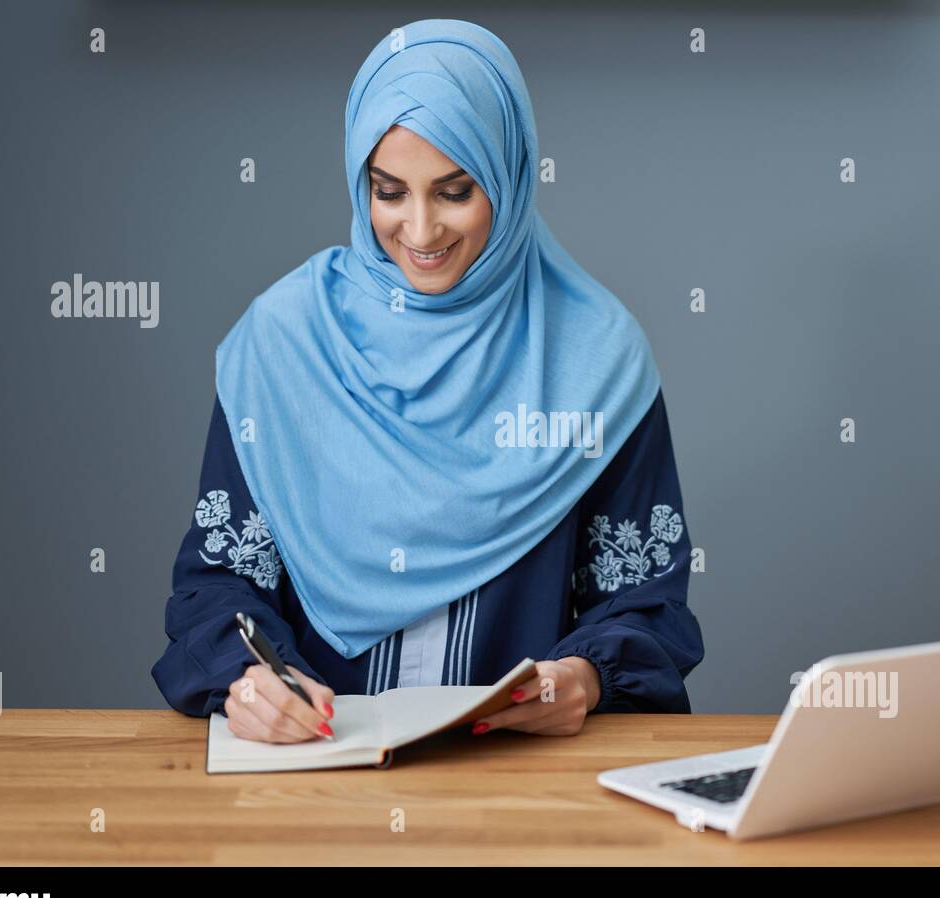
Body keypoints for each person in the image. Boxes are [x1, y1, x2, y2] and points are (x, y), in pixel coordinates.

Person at [151, 18, 703, 742]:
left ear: (508, 175)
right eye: (388, 191)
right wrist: (251, 681)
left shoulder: (597, 358)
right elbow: (218, 583)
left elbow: (642, 602)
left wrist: (586, 676)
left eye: (453, 191)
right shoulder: (284, 343)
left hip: (513, 789)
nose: (419, 231)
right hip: (315, 777)